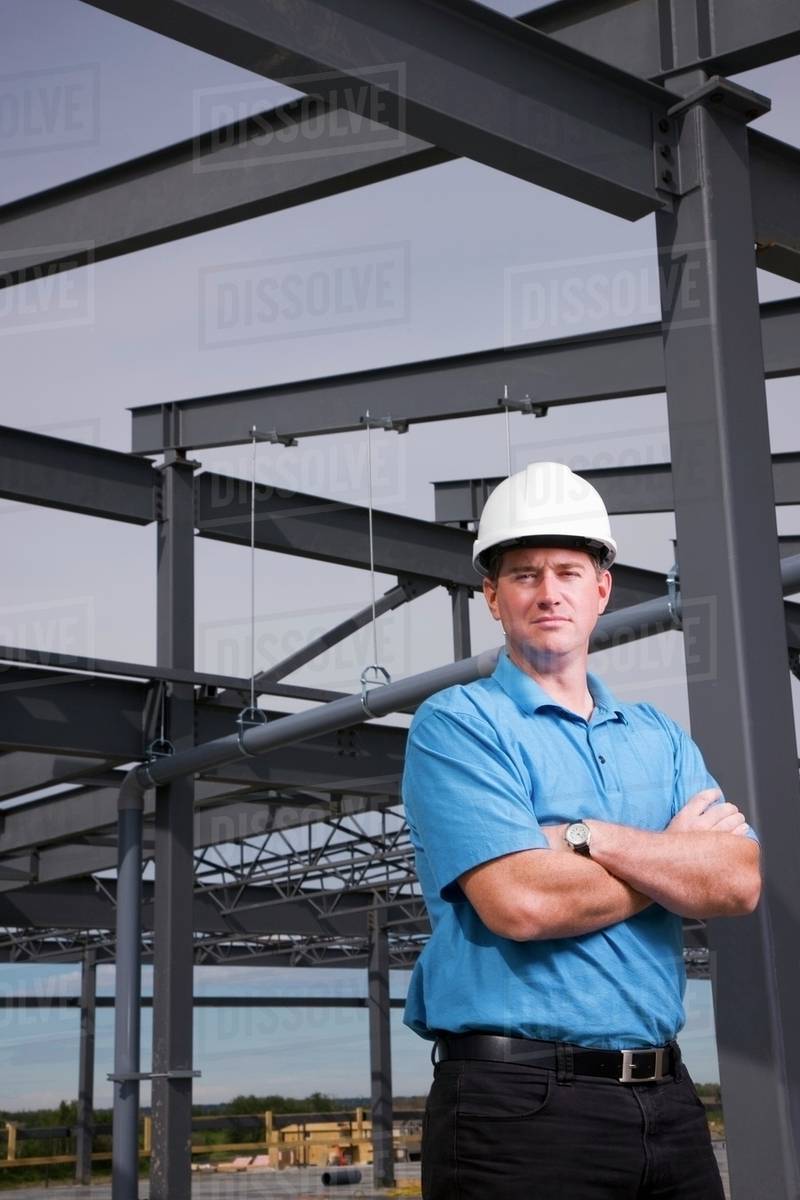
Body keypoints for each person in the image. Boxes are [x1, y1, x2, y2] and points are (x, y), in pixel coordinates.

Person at [402, 461, 761, 1200]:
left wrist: (587, 837)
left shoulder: (657, 736)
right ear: (492, 598)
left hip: (666, 1097)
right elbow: (521, 904)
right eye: (524, 574)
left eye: (569, 570)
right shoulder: (459, 724)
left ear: (602, 588)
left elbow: (738, 881)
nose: (548, 591)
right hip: (518, 1107)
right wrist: (671, 864)